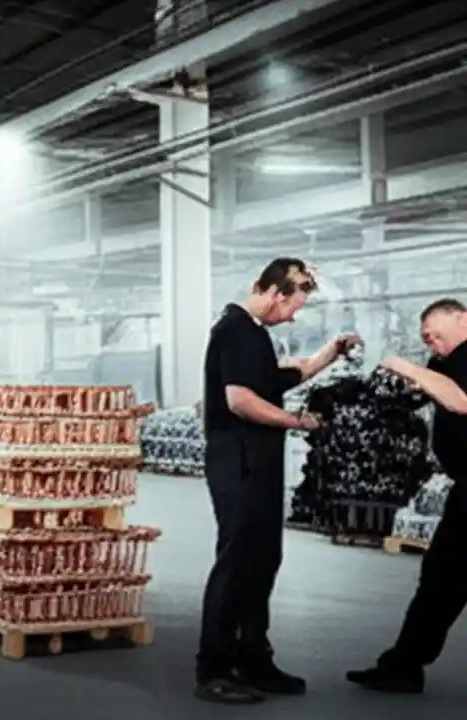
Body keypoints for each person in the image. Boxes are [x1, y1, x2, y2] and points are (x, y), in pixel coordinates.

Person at [196, 257, 361, 704]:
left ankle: (254, 657)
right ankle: (214, 667)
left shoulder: (256, 336)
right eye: (293, 306)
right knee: (237, 560)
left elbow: (285, 376)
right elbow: (241, 400)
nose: (293, 315)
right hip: (239, 460)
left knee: (263, 558)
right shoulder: (235, 331)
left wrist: (332, 351)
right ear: (274, 293)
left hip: (259, 461)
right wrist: (298, 422)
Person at [347, 298, 467, 694]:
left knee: (444, 577)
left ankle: (405, 662)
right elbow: (421, 396)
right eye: (425, 338)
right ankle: (404, 663)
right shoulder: (443, 364)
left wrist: (403, 364)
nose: (431, 341)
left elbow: (461, 401)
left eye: (435, 332)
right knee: (442, 577)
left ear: (461, 317)